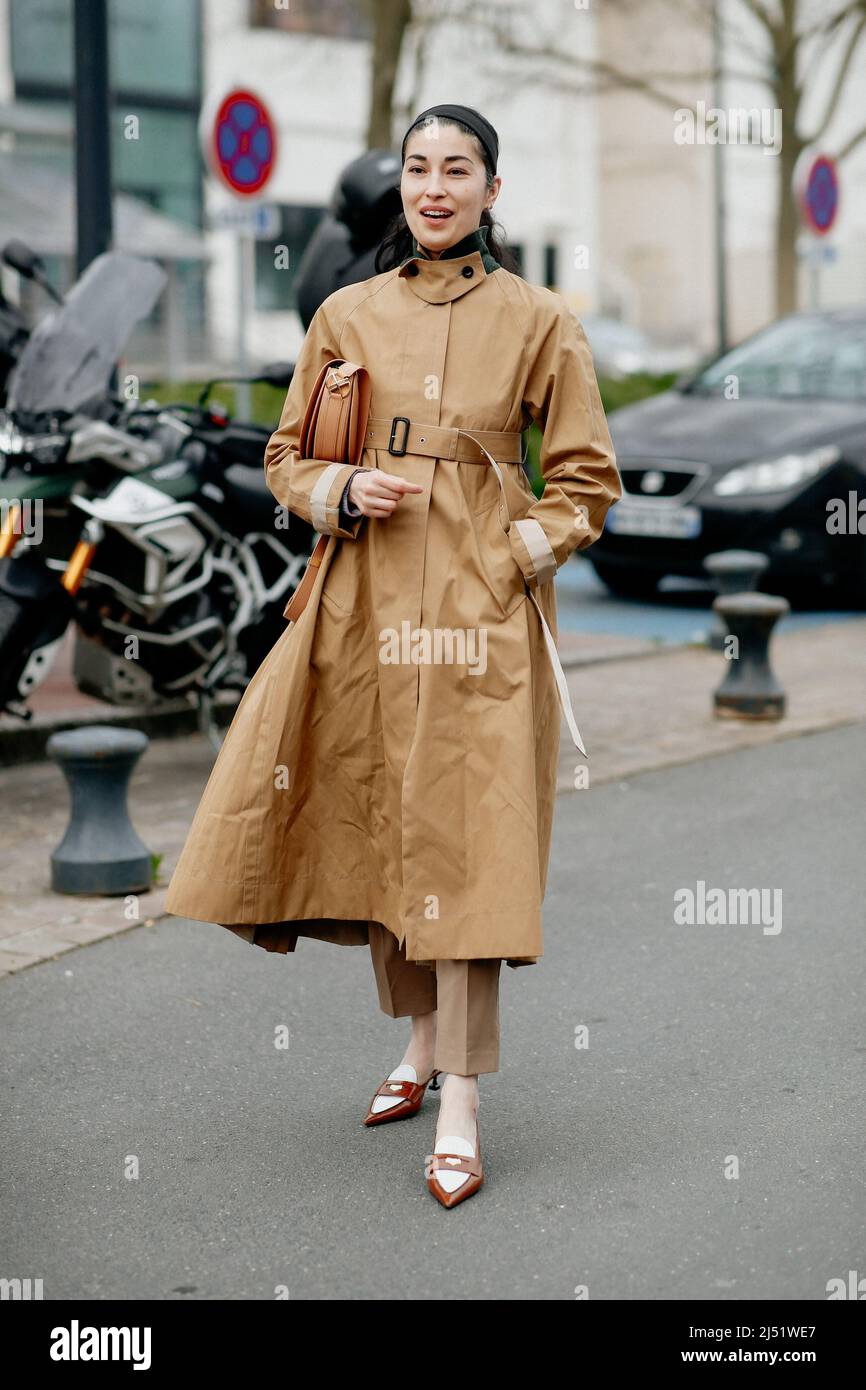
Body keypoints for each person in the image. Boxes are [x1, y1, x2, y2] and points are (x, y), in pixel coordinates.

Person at [164, 102, 622, 1209]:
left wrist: (515, 552)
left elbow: (586, 482)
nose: (433, 185)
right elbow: (284, 454)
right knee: (385, 820)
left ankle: (458, 1095)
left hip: (480, 616)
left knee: (465, 840)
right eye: (417, 167)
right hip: (362, 603)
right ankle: (417, 1045)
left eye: (455, 168)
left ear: (489, 191)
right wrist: (333, 489)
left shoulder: (540, 319)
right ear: (399, 188)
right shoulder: (345, 312)